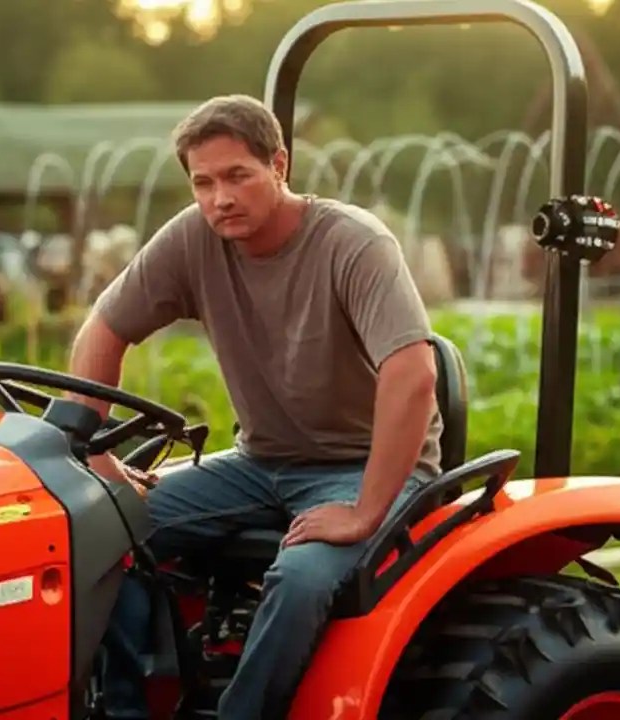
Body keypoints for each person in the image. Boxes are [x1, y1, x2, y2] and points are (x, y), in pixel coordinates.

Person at [65, 94, 443, 720]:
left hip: (361, 466)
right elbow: (101, 331)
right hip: (259, 461)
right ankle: (123, 708)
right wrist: (99, 458)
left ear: (280, 165)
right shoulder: (192, 239)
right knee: (104, 530)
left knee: (301, 579)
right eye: (203, 183)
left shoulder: (353, 245)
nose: (220, 199)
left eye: (238, 175)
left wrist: (364, 510)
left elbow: (413, 373)